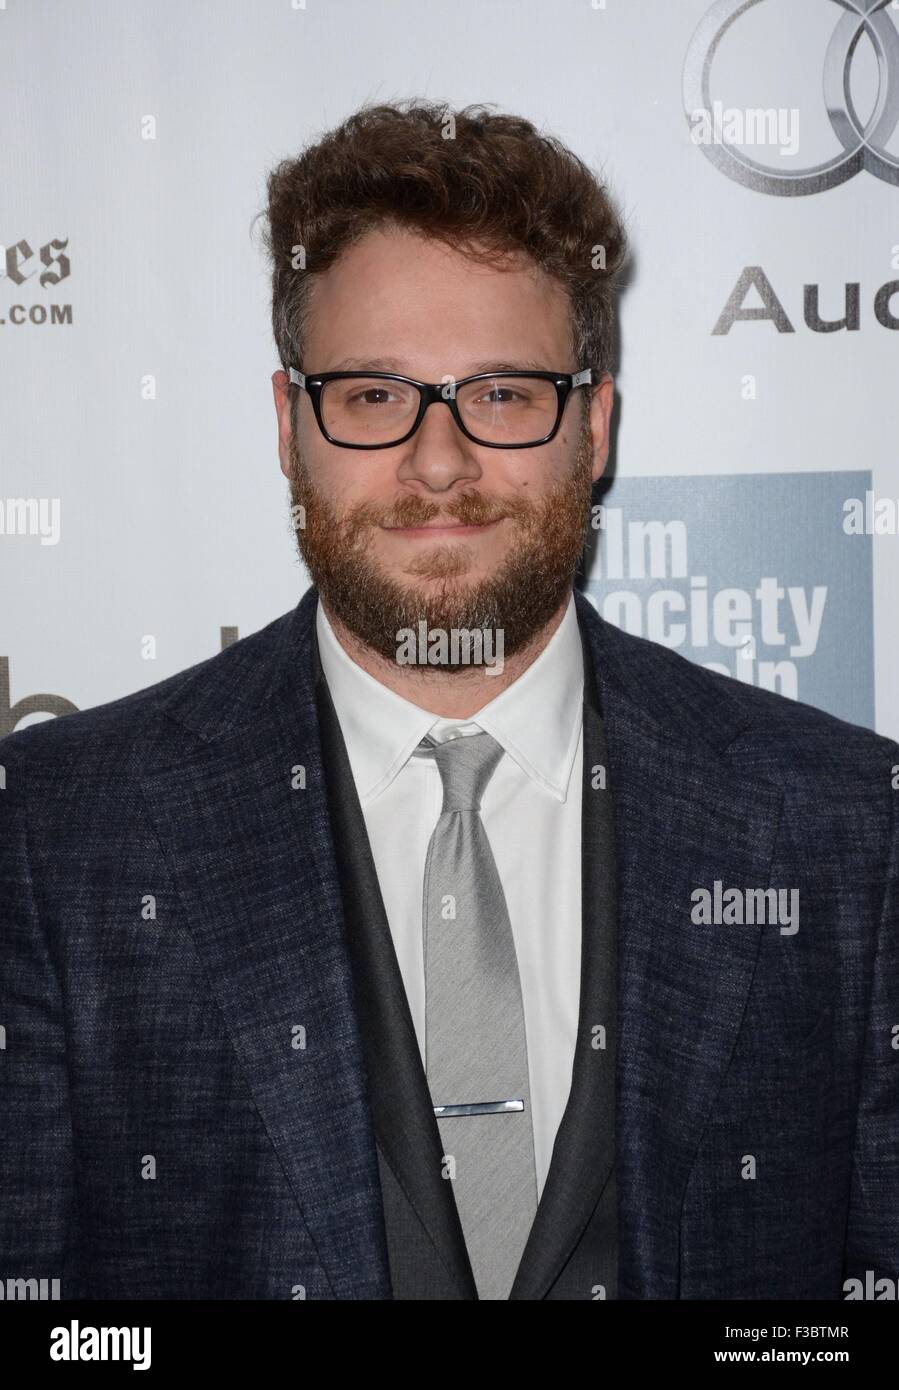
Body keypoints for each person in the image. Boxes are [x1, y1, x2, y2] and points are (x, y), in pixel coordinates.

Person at [1, 100, 897, 1301]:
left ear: (592, 428)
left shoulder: (840, 822)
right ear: (287, 425)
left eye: (504, 394)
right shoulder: (64, 831)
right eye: (373, 396)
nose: (438, 463)